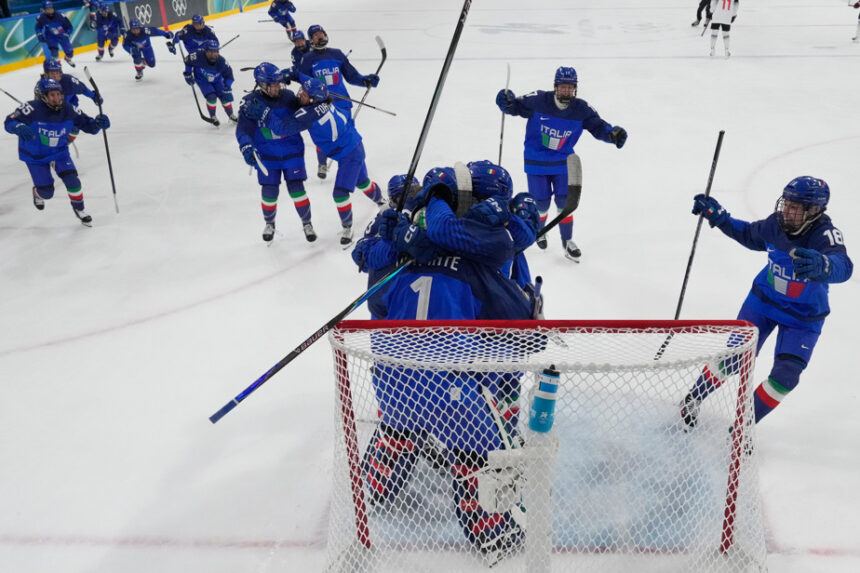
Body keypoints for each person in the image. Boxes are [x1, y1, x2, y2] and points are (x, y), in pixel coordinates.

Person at [366, 175, 542, 565]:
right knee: (473, 457)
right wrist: (531, 302)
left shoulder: (399, 257)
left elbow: (376, 310)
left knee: (396, 427)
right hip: (455, 395)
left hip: (392, 385)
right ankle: (490, 531)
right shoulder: (477, 265)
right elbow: (523, 333)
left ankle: (378, 483)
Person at [679, 177, 853, 429]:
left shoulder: (824, 234)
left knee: (786, 377)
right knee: (733, 359)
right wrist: (720, 219)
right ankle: (692, 399)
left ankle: (743, 425)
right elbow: (749, 235)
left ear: (814, 211)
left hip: (803, 318)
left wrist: (825, 265)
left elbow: (844, 266)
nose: (787, 211)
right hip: (762, 303)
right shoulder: (775, 224)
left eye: (795, 207)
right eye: (786, 204)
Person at [496, 66, 626, 261]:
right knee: (541, 203)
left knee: (565, 203)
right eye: (563, 87)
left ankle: (567, 241)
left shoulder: (582, 109)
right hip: (536, 161)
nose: (566, 91)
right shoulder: (538, 100)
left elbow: (598, 126)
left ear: (575, 89)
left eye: (570, 87)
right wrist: (506, 102)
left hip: (563, 162)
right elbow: (516, 107)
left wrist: (612, 134)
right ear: (555, 87)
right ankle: (540, 230)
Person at [243, 77, 386, 246]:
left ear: (313, 99)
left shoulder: (308, 114)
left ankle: (348, 228)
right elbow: (344, 117)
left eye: (304, 94)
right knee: (362, 182)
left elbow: (283, 128)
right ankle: (383, 203)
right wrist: (291, 73)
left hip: (348, 155)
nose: (300, 95)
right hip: (354, 144)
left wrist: (265, 113)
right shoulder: (324, 101)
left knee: (340, 193)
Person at [4, 78, 111, 226]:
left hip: (59, 152)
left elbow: (89, 126)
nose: (57, 98)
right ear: (43, 97)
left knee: (72, 180)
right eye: (52, 95)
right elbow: (9, 121)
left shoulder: (69, 109)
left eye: (59, 94)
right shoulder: (31, 108)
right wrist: (16, 127)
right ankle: (37, 192)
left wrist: (99, 123)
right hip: (35, 156)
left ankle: (79, 209)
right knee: (47, 193)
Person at [237, 62, 316, 243]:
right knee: (269, 191)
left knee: (297, 189)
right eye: (272, 85)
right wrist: (246, 145)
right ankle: (270, 223)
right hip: (267, 156)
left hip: (292, 152)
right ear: (261, 84)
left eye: (278, 84)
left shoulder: (288, 97)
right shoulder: (250, 102)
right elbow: (243, 129)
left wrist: (316, 100)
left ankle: (307, 223)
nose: (276, 88)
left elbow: (305, 114)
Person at [297, 24, 380, 180]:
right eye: (315, 35)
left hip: (343, 103)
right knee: (323, 135)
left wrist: (365, 80)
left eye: (321, 33)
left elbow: (352, 76)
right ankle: (322, 162)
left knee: (350, 136)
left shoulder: (337, 54)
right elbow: (305, 83)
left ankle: (357, 165)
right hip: (322, 105)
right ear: (311, 40)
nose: (319, 36)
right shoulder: (307, 59)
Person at [39, 59, 103, 145]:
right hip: (52, 114)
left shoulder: (68, 81)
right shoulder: (41, 87)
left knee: (74, 128)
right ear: (46, 74)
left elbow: (82, 89)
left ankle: (62, 147)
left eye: (57, 73)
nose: (55, 76)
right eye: (52, 74)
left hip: (69, 109)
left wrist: (94, 96)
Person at [182, 40, 235, 126]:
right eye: (210, 52)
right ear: (205, 51)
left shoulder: (222, 62)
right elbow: (187, 60)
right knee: (211, 97)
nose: (213, 54)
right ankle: (213, 116)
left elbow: (229, 76)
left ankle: (231, 115)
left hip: (217, 80)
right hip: (202, 80)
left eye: (215, 52)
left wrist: (227, 87)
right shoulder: (198, 56)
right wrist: (187, 73)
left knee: (224, 96)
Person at [34, 1, 75, 67]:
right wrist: (39, 35)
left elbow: (70, 27)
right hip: (51, 37)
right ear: (44, 10)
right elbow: (38, 27)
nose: (50, 10)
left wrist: (67, 33)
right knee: (54, 52)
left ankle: (68, 58)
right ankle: (58, 67)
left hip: (62, 36)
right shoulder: (42, 18)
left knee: (70, 53)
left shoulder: (60, 16)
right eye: (47, 9)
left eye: (51, 8)